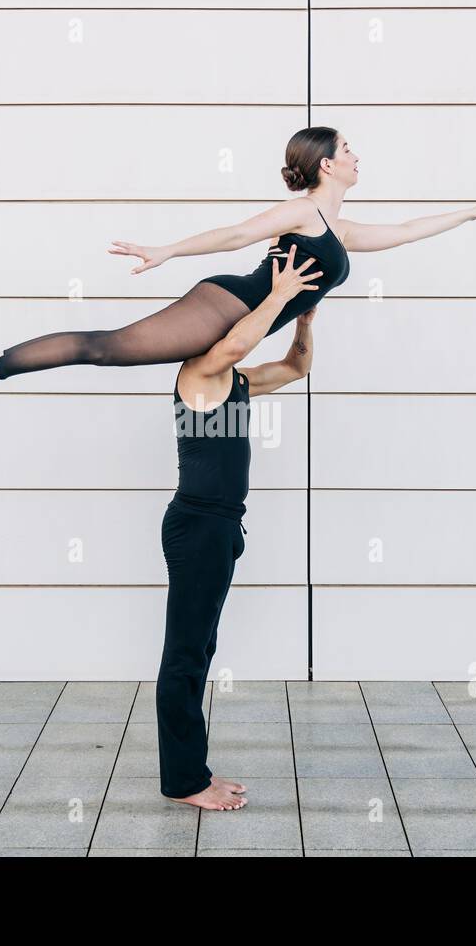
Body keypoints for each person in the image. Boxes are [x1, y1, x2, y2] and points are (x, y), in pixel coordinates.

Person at [0, 126, 476, 391]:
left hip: (245, 319)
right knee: (108, 348)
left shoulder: (338, 227)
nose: (357, 155)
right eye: (348, 149)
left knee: (112, 350)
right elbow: (234, 236)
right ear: (326, 164)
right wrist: (166, 250)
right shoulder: (300, 211)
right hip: (227, 304)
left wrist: (468, 214)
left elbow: (403, 231)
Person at [157, 243, 321, 811]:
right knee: (184, 655)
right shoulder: (198, 372)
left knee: (198, 650)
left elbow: (297, 367)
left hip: (223, 528)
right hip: (197, 525)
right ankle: (185, 784)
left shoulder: (238, 381)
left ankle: (192, 771)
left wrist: (303, 320)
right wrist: (278, 293)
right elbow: (236, 341)